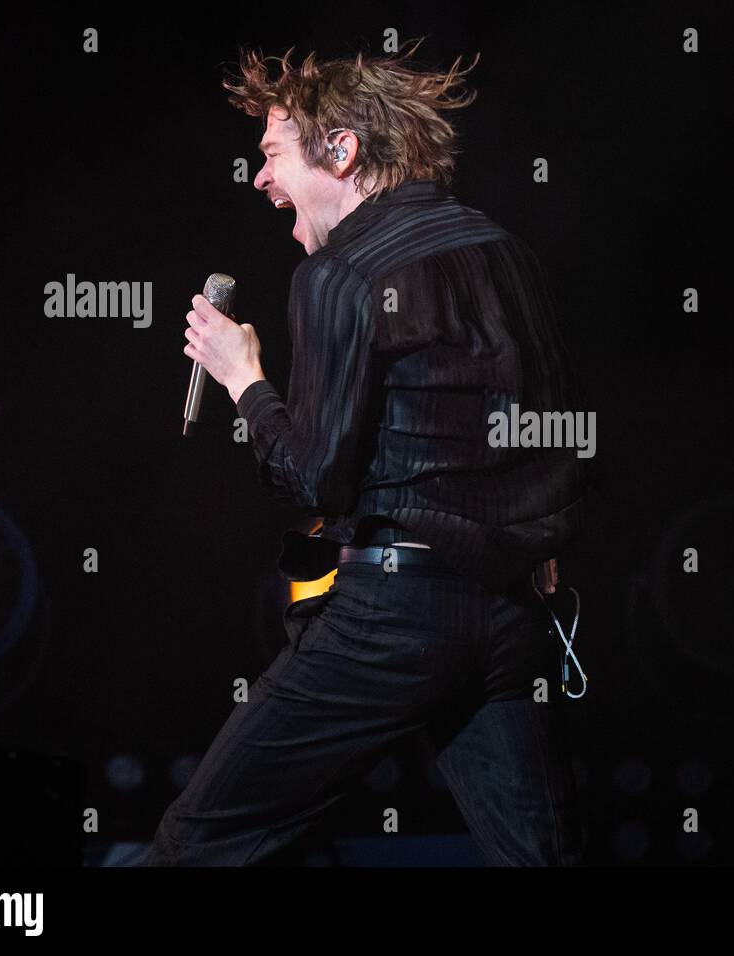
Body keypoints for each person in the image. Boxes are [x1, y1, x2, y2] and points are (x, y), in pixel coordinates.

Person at [143, 39, 599, 866]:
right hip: (512, 615)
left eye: (271, 154)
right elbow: (566, 435)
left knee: (198, 843)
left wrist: (246, 382)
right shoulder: (508, 251)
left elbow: (312, 474)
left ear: (342, 152)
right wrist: (542, 551)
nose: (259, 178)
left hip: (396, 615)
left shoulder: (340, 276)